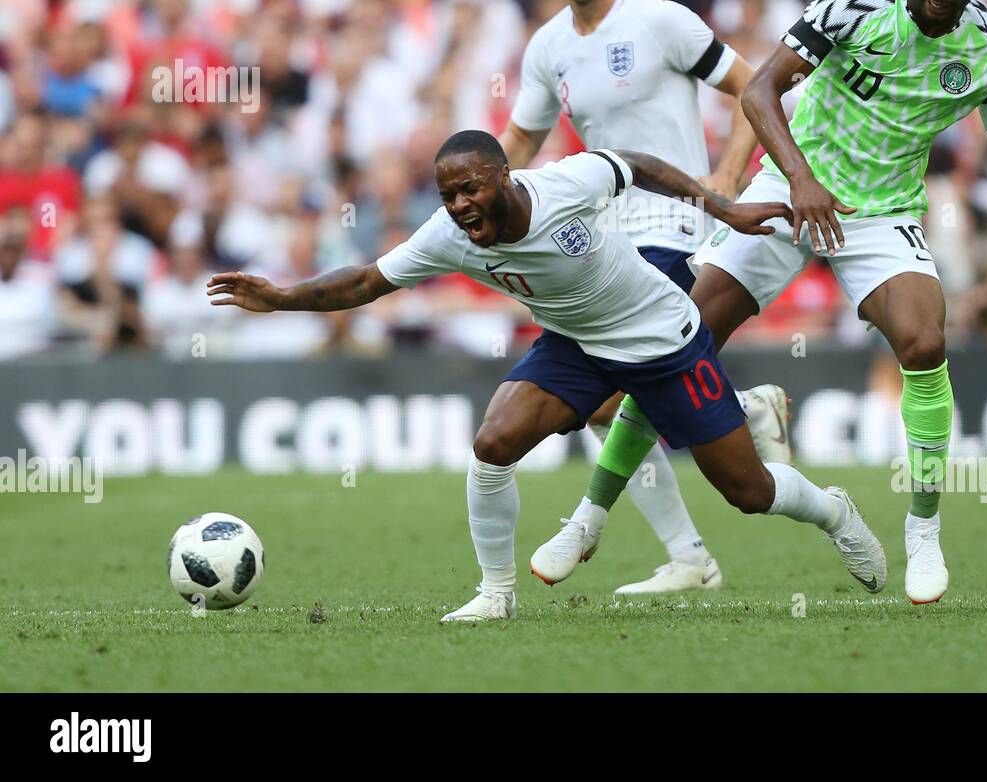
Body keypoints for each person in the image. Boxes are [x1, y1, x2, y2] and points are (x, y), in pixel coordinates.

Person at [582, 0, 987, 606]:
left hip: (880, 212)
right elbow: (760, 92)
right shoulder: (858, 0)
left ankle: (922, 532)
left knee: (922, 339)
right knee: (679, 336)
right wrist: (800, 178)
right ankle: (591, 513)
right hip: (796, 185)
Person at [208, 131, 887, 622]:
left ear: (505, 175)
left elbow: (638, 164)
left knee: (748, 490)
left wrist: (722, 206)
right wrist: (282, 297)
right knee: (493, 443)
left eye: (472, 187)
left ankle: (835, 513)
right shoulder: (447, 235)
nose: (461, 205)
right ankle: (496, 593)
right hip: (576, 345)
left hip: (664, 342)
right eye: (448, 195)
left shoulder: (563, 186)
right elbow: (364, 279)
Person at [499, 0, 790, 595]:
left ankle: (643, 533)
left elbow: (753, 85)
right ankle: (735, 434)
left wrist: (723, 177)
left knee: (612, 380)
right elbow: (519, 143)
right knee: (605, 403)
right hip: (604, 237)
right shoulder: (547, 48)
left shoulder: (661, 22)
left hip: (675, 227)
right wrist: (468, 198)